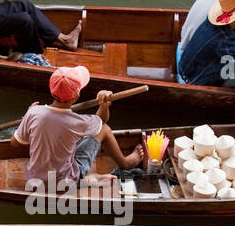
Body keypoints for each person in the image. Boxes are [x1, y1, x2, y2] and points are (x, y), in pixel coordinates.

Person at [11, 66, 144, 189]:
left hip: (35, 180)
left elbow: (14, 142)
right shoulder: (78, 122)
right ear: (76, 96)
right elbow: (101, 123)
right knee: (104, 129)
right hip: (65, 182)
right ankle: (124, 164)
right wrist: (104, 105)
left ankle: (89, 179)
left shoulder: (34, 112)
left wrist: (27, 118)